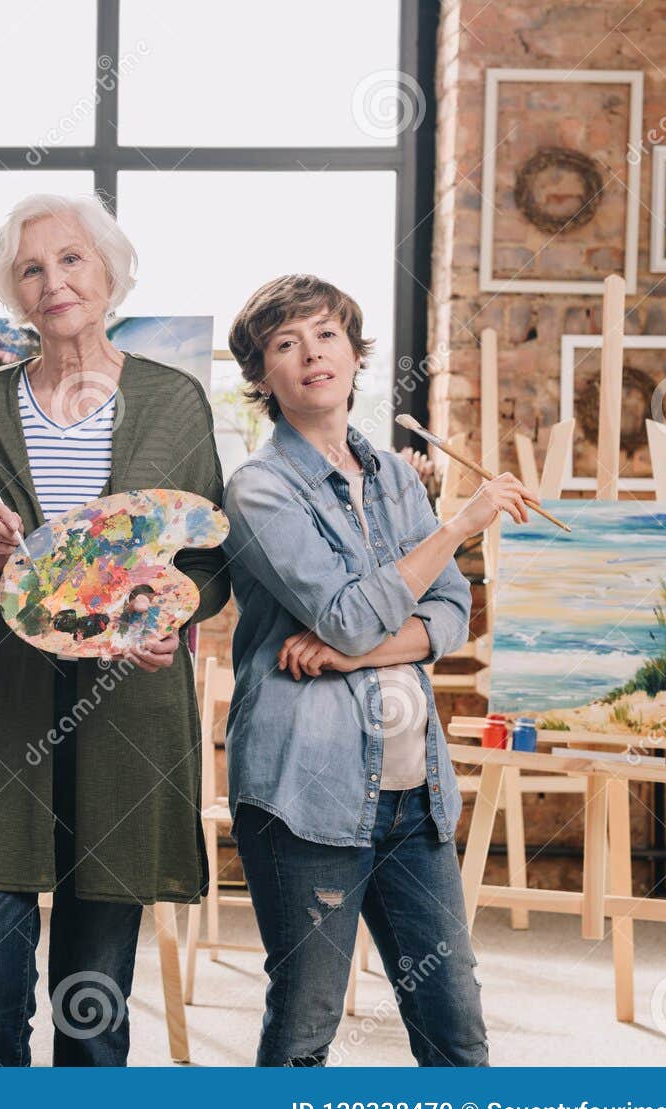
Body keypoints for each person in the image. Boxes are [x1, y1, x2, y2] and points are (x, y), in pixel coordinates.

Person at [0, 192, 230, 1066]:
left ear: (110, 273)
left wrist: (168, 622)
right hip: (0, 721)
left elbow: (209, 563)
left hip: (127, 723)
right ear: (14, 292)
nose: (53, 281)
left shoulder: (174, 402)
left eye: (72, 259)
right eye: (31, 268)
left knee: (93, 1008)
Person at [221, 273, 535, 1066]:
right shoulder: (258, 488)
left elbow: (452, 611)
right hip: (305, 793)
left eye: (326, 334)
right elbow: (351, 613)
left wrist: (345, 653)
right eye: (285, 343)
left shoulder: (395, 476)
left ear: (355, 354)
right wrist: (457, 526)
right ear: (263, 375)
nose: (311, 354)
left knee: (455, 1027)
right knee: (305, 1027)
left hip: (414, 792)